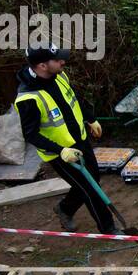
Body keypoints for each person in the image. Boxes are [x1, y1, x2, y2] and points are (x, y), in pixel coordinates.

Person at [14, 40, 116, 235]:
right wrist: (61, 151)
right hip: (60, 153)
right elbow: (30, 134)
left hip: (80, 140)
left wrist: (90, 119)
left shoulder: (59, 76)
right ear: (42, 65)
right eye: (57, 59)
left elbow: (73, 98)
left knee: (93, 178)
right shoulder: (28, 98)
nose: (63, 61)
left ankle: (65, 208)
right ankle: (108, 228)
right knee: (90, 189)